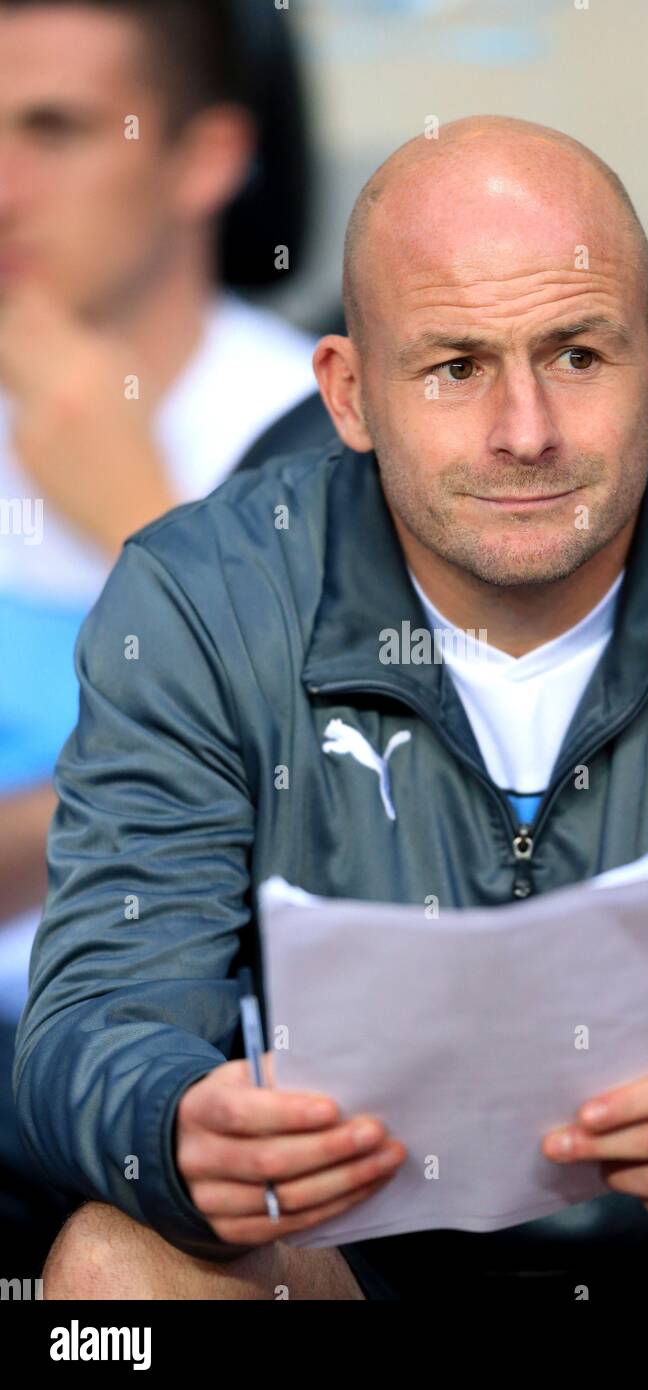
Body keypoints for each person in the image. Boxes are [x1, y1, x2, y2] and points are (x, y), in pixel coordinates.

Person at [13, 115, 648, 1301]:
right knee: (112, 1274)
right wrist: (176, 1129)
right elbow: (89, 1019)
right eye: (455, 367)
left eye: (575, 354)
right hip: (348, 1277)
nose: (524, 432)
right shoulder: (201, 594)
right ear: (350, 394)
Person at [0, 0, 317, 1270]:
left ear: (205, 157)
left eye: (55, 128)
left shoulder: (334, 424)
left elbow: (362, 812)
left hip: (226, 1062)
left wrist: (142, 519)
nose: (3, 182)